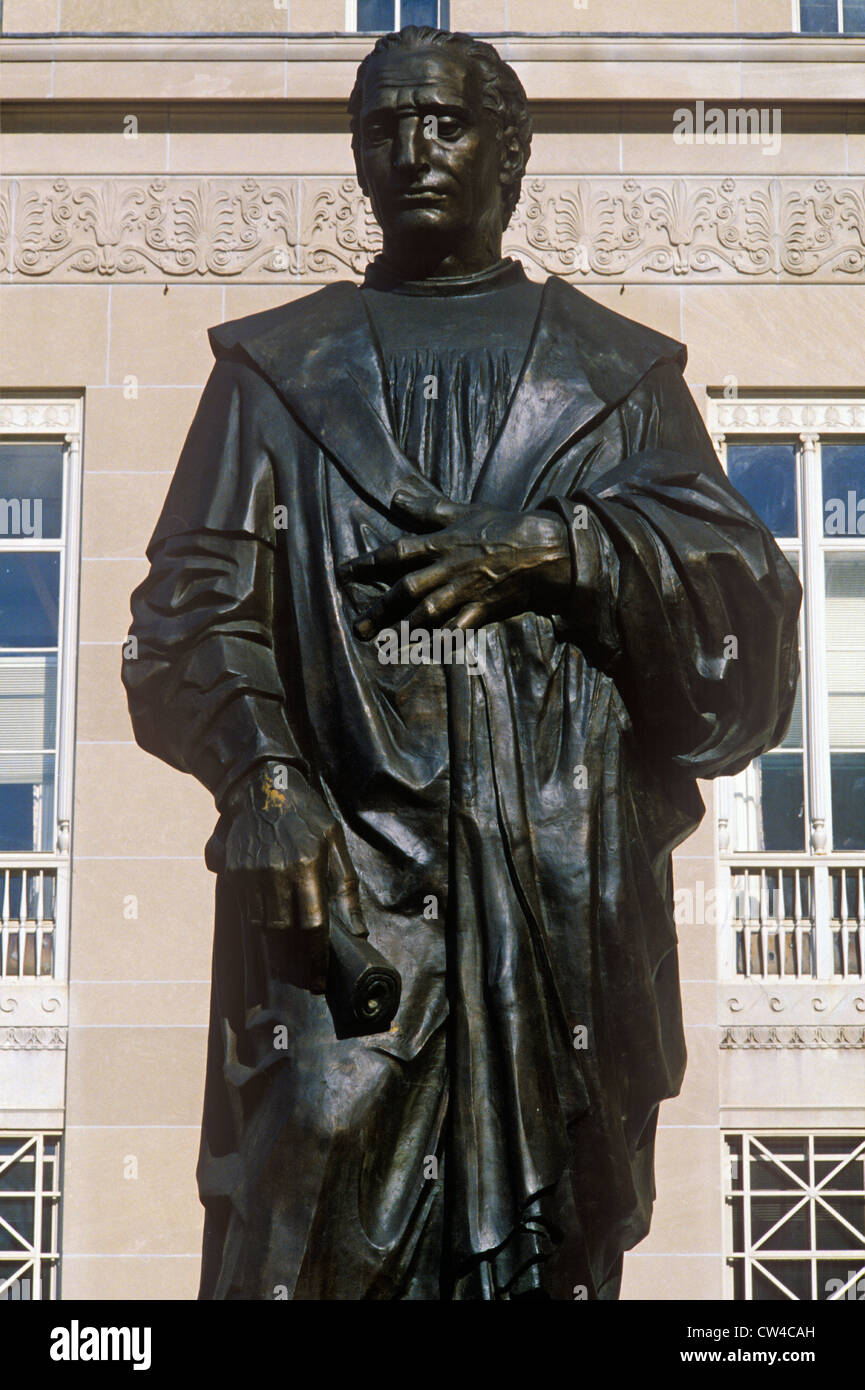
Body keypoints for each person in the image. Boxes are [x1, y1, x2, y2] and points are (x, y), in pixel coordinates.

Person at [122, 25, 801, 1300]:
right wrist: (261, 776)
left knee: (553, 1263)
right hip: (340, 902)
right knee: (305, 1227)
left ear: (513, 151)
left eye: (444, 122)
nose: (412, 149)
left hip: (556, 904)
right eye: (383, 127)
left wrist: (559, 550)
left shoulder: (617, 378)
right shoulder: (273, 375)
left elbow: (744, 603)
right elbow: (185, 610)